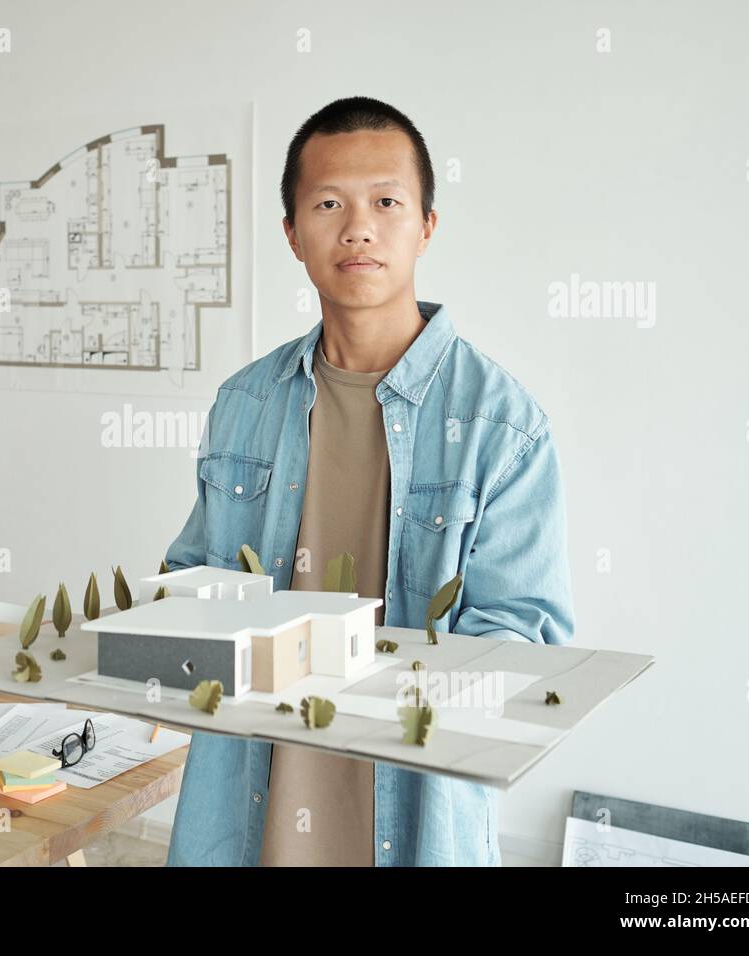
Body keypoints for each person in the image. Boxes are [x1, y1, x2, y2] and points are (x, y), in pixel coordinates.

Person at [163, 96, 575, 866]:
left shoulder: (504, 425)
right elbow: (194, 574)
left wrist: (377, 676)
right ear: (292, 233)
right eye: (327, 204)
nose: (358, 227)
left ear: (426, 224)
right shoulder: (244, 403)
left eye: (387, 201)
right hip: (250, 797)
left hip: (419, 809)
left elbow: (528, 645)